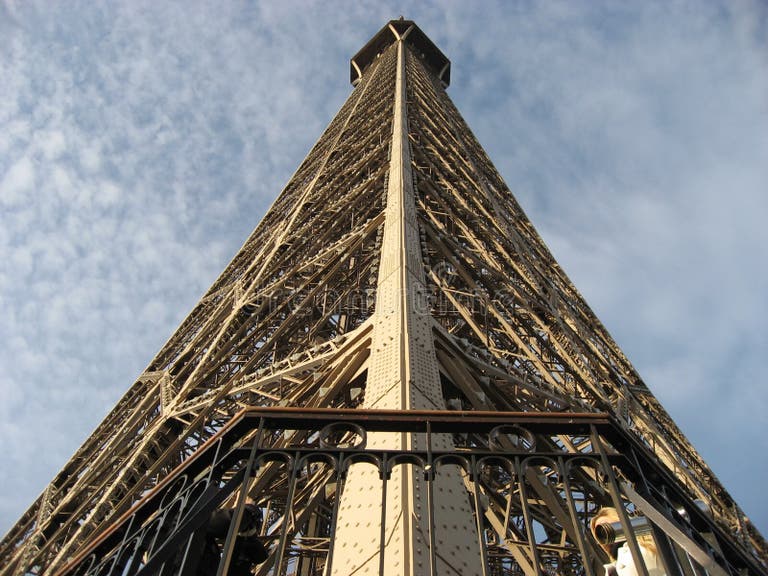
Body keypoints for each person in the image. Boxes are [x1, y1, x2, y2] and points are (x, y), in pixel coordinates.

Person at [196, 503, 268, 575]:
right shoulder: (192, 512)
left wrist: (246, 537)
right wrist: (249, 513)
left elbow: (260, 556)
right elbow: (221, 524)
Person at [590, 507, 666, 576]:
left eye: (605, 526)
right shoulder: (611, 569)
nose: (604, 535)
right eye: (599, 535)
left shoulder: (652, 543)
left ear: (620, 520)